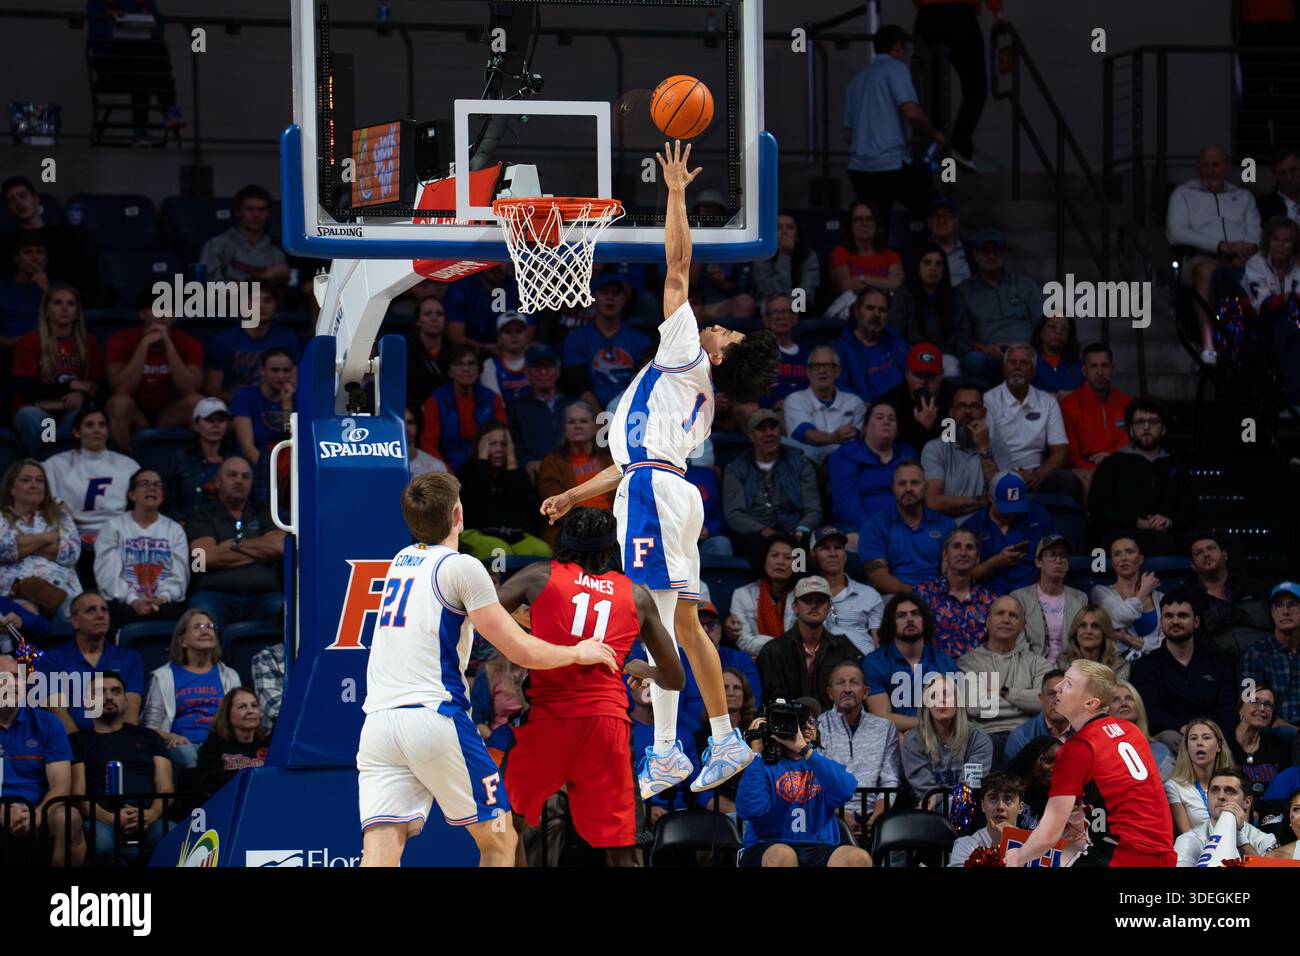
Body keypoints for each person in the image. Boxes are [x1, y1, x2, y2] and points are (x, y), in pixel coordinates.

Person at [538, 141, 780, 800]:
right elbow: (629, 463)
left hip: (655, 494)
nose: (717, 330)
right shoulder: (689, 404)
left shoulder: (681, 353)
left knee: (660, 622)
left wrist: (674, 191)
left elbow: (677, 265)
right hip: (658, 487)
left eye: (727, 335)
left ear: (722, 360)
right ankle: (676, 750)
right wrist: (573, 495)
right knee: (667, 623)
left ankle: (706, 742)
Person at [355, 474, 618, 867]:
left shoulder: (398, 563)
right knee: (501, 840)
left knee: (380, 853)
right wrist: (579, 653)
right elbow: (522, 651)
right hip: (433, 719)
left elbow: (465, 610)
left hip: (379, 728)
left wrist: (522, 617)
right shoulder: (462, 567)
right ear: (458, 513)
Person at [495, 507, 683, 865]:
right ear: (611, 548)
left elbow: (483, 614)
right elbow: (675, 678)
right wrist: (646, 669)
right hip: (606, 726)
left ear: (562, 541)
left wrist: (529, 626)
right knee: (623, 851)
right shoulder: (637, 595)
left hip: (549, 722)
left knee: (504, 824)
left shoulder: (537, 577)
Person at [1004, 660, 1176, 867]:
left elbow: (1048, 834)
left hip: (1124, 853)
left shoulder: (1079, 748)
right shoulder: (1130, 730)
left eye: (1068, 684)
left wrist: (1016, 858)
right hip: (1164, 853)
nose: (1058, 687)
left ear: (1090, 704)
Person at [735, 697, 873, 867]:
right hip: (768, 845)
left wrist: (806, 751)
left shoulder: (822, 765)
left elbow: (845, 792)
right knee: (783, 855)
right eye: (800, 720)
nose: (808, 725)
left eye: (812, 720)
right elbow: (751, 811)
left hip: (820, 846)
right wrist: (755, 753)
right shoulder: (762, 766)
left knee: (859, 858)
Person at [1166, 144, 1261, 364]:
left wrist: (1245, 253)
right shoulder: (1183, 194)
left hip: (1244, 257)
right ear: (1199, 168)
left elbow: (1256, 231)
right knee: (1206, 270)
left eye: (1216, 164)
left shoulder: (1244, 195)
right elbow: (1175, 232)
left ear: (1227, 167)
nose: (1211, 170)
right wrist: (1221, 246)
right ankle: (1209, 344)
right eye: (1206, 165)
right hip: (1201, 257)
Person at [841, 23, 942, 219]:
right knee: (936, 212)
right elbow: (911, 112)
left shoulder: (856, 81)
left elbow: (848, 136)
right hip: (891, 164)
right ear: (898, 46)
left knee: (875, 227)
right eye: (905, 49)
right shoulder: (896, 68)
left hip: (860, 169)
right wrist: (933, 134)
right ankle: (943, 249)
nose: (905, 54)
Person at [70, 670, 172, 862]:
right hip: (101, 818)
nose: (109, 697)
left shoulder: (150, 737)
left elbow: (166, 787)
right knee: (102, 843)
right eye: (100, 692)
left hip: (150, 817)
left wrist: (152, 814)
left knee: (173, 834)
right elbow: (78, 793)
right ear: (86, 702)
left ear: (126, 700)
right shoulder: (77, 741)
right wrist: (111, 819)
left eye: (116, 691)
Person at [0, 655, 83, 866]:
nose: (11, 683)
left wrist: (38, 814)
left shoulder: (48, 723)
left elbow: (61, 785)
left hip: (38, 806)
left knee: (70, 818)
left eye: (16, 677)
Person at [187, 456, 287, 629]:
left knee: (290, 614)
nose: (239, 481)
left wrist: (236, 544)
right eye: (232, 475)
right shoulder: (202, 514)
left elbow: (281, 546)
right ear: (217, 482)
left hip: (265, 595)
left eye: (245, 476)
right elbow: (201, 559)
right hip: (214, 595)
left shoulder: (265, 512)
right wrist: (261, 553)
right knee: (200, 619)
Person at [9, 284, 104, 456]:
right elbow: (29, 391)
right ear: (46, 311)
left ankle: (72, 467)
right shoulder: (29, 342)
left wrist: (83, 395)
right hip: (41, 414)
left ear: (77, 313)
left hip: (71, 412)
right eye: (57, 303)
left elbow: (98, 387)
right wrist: (73, 386)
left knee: (86, 416)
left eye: (71, 303)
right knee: (31, 417)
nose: (65, 308)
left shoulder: (89, 343)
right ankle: (44, 465)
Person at [141, 609, 242, 771]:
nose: (205, 630)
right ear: (182, 641)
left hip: (220, 744)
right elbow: (150, 728)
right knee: (189, 757)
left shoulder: (229, 675)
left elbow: (239, 718)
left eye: (209, 626)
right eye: (197, 626)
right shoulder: (163, 677)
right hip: (182, 744)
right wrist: (171, 737)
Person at [105, 288, 204, 450]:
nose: (163, 314)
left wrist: (169, 346)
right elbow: (121, 389)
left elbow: (190, 389)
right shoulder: (120, 340)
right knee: (118, 404)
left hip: (169, 412)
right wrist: (143, 346)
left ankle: (197, 463)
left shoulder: (189, 343)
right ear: (142, 314)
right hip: (135, 411)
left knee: (199, 402)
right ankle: (121, 465)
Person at [1088, 397, 1189, 555]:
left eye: (1153, 421)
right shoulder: (1112, 464)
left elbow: (1189, 509)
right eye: (1140, 422)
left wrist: (1168, 521)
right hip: (1123, 537)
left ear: (1163, 428)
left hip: (1168, 535)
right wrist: (1137, 522)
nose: (1146, 427)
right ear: (1130, 429)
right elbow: (1099, 512)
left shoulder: (1176, 465)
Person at [1130, 592, 1238, 738]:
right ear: (1161, 622)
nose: (1175, 621)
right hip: (1172, 737)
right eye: (1169, 616)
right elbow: (1150, 711)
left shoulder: (1219, 660)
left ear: (1196, 622)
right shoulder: (1145, 666)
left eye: (1183, 616)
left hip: (1215, 736)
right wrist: (1183, 729)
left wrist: (1208, 734)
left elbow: (1227, 707)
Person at [93, 469, 189, 632]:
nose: (151, 488)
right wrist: (133, 600)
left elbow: (181, 575)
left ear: (163, 495)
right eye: (144, 484)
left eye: (157, 485)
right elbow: (107, 576)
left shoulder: (174, 530)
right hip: (123, 602)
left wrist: (161, 598)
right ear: (132, 494)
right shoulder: (113, 527)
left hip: (164, 603)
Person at [723, 408, 820, 566]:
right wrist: (762, 530)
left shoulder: (799, 461)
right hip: (757, 532)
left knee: (801, 554)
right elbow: (734, 514)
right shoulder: (735, 468)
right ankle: (763, 589)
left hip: (795, 530)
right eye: (762, 429)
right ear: (751, 436)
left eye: (773, 427)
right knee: (758, 550)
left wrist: (802, 528)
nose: (769, 433)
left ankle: (797, 585)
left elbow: (813, 508)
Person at [957, 595, 1055, 749]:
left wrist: (1003, 691)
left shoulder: (1038, 663)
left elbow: (1042, 703)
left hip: (1027, 736)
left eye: (1013, 615)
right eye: (1000, 613)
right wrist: (1024, 700)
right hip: (985, 737)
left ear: (1022, 625)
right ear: (987, 621)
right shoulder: (969, 662)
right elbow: (975, 707)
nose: (1006, 619)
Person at [37, 591, 144, 733]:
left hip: (119, 742)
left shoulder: (129, 658)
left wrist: (124, 744)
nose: (100, 615)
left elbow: (131, 708)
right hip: (74, 743)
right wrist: (80, 745)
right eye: (91, 610)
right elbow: (57, 711)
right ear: (74, 621)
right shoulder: (51, 660)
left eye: (104, 610)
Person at [981, 344, 1078, 499]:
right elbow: (985, 451)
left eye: (1024, 363)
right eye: (1012, 362)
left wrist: (1039, 475)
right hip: (1000, 472)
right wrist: (1014, 475)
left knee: (1067, 480)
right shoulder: (988, 400)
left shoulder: (1048, 402)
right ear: (1004, 368)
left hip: (1037, 474)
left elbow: (1060, 452)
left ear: (1033, 371)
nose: (1017, 367)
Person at [42, 406, 139, 558]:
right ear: (76, 432)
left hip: (119, 536)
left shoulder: (129, 466)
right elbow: (45, 497)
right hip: (70, 534)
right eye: (89, 425)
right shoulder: (54, 464)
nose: (96, 430)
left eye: (102, 425)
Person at [817, 660, 900, 836]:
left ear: (865, 692)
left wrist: (878, 815)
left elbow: (890, 779)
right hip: (830, 815)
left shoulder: (885, 727)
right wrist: (841, 815)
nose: (847, 689)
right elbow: (817, 780)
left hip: (876, 815)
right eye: (840, 683)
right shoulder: (817, 727)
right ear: (830, 693)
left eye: (854, 682)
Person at [757, 576, 861, 713]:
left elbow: (855, 696)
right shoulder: (773, 650)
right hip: (788, 727)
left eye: (820, 601)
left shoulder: (844, 648)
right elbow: (772, 700)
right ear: (794, 606)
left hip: (836, 727)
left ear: (829, 607)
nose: (814, 606)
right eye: (807, 600)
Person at [863, 592, 960, 735]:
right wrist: (923, 726)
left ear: (924, 620)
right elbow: (881, 716)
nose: (909, 619)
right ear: (891, 623)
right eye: (901, 615)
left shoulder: (943, 661)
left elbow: (955, 710)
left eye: (915, 614)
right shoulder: (875, 663)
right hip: (894, 737)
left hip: (940, 735)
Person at [956, 231, 1044, 386]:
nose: (991, 256)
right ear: (975, 255)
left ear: (1004, 254)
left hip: (1026, 350)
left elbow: (1042, 324)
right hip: (989, 354)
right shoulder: (964, 291)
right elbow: (962, 337)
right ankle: (983, 408)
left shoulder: (1025, 284)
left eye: (996, 251)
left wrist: (1026, 347)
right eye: (985, 251)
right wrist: (985, 348)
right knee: (973, 361)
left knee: (1043, 359)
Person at [0, 459, 82, 619]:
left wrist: (21, 543)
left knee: (78, 614)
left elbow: (71, 552)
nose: (34, 485)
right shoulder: (1, 517)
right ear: (11, 488)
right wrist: (48, 537)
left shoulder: (59, 515)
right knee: (24, 615)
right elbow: (3, 549)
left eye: (40, 480)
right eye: (26, 480)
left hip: (62, 592)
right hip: (13, 591)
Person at [860, 461, 956, 594]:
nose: (908, 488)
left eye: (915, 483)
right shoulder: (875, 526)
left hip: (938, 595)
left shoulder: (946, 524)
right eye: (902, 483)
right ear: (893, 488)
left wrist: (936, 597)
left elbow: (953, 572)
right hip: (893, 597)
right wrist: (917, 595)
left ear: (926, 486)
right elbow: (878, 577)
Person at [786, 526, 884, 657]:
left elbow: (879, 642)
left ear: (845, 555)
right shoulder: (799, 594)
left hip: (862, 664)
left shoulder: (869, 594)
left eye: (838, 548)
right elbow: (790, 636)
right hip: (817, 664)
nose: (833, 554)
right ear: (813, 555)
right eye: (825, 548)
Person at [901, 671, 994, 805]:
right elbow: (926, 792)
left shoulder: (978, 739)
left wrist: (942, 799)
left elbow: (969, 788)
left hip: (967, 807)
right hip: (929, 810)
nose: (940, 700)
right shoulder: (914, 741)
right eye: (933, 696)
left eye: (947, 695)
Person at [561, 274, 651, 409]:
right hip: (589, 412)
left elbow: (643, 384)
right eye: (604, 292)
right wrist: (600, 417)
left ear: (624, 299)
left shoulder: (640, 340)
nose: (610, 297)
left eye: (615, 293)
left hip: (629, 409)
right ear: (593, 298)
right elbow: (578, 384)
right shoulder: (577, 338)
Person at [200, 283, 302, 403]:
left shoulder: (289, 339)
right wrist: (247, 404)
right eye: (254, 300)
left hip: (278, 406)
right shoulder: (223, 340)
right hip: (234, 408)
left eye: (268, 300)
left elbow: (294, 383)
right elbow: (211, 389)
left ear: (276, 304)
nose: (261, 305)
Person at [457, 425, 547, 561]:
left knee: (542, 550)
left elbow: (517, 500)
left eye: (504, 444)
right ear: (481, 446)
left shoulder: (516, 473)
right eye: (492, 444)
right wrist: (482, 459)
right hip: (474, 531)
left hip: (512, 534)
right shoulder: (467, 471)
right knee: (500, 551)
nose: (499, 449)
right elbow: (480, 496)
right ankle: (497, 583)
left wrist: (511, 460)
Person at [419, 343, 508, 473]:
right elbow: (428, 444)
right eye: (459, 364)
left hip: (487, 466)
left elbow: (502, 439)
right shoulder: (435, 401)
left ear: (478, 370)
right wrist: (445, 470)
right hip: (449, 467)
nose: (466, 368)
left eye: (471, 364)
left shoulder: (492, 399)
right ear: (450, 371)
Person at [1058, 343, 1131, 500]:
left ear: (1113, 368)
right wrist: (1091, 470)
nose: (1099, 372)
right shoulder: (1069, 404)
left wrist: (1110, 459)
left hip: (1120, 465)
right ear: (1084, 371)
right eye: (1093, 366)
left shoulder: (1127, 403)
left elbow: (1131, 443)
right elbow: (1069, 453)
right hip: (1085, 468)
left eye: (1104, 366)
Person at [966, 471, 1057, 596]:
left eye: (1016, 507)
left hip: (1031, 595)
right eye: (1005, 508)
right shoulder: (973, 526)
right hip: (987, 597)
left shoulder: (1038, 515)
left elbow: (1057, 554)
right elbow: (965, 575)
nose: (1011, 513)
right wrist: (997, 562)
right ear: (990, 499)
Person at [921, 383, 1002, 522]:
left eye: (974, 406)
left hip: (987, 528)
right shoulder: (935, 448)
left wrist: (983, 450)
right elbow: (933, 502)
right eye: (961, 406)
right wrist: (983, 502)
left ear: (983, 413)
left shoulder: (999, 446)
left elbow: (1001, 497)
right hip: (946, 530)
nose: (968, 412)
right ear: (951, 413)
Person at [889, 246, 974, 376]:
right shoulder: (904, 296)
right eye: (927, 263)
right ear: (918, 266)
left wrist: (957, 355)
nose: (933, 268)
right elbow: (894, 334)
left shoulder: (954, 297)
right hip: (913, 355)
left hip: (947, 356)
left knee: (954, 368)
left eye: (939, 264)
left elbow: (964, 334)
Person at [536, 403, 613, 546]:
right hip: (570, 528)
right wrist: (585, 523)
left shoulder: (610, 458)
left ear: (596, 427)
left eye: (583, 421)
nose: (577, 426)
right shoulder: (552, 461)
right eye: (571, 422)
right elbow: (552, 504)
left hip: (610, 525)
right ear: (564, 429)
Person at [828, 402, 914, 529]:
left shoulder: (908, 454)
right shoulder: (845, 454)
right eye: (879, 417)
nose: (886, 422)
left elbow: (917, 494)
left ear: (897, 430)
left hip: (905, 527)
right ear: (865, 427)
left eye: (891, 419)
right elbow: (845, 502)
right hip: (859, 527)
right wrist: (874, 530)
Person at [914, 526, 996, 659]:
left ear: (978, 558)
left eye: (969, 547)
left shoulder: (990, 601)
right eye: (956, 546)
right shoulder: (923, 594)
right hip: (932, 673)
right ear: (945, 555)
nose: (963, 553)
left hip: (976, 674)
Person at [782, 345, 867, 466]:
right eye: (816, 366)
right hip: (807, 467)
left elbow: (856, 442)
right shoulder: (794, 400)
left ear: (837, 372)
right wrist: (834, 437)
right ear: (808, 372)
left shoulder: (854, 402)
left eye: (827, 366)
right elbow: (807, 435)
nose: (822, 371)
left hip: (846, 465)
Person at [1175, 767, 1278, 865]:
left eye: (1230, 791)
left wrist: (1240, 838)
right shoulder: (1188, 840)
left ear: (1247, 802)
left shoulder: (1265, 840)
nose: (1221, 796)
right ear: (1208, 797)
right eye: (1215, 790)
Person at [230, 348, 296, 497]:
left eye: (286, 371)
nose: (281, 376)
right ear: (262, 371)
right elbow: (247, 446)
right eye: (275, 370)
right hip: (258, 467)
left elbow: (290, 436)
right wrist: (271, 474)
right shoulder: (245, 396)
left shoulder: (294, 398)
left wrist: (286, 405)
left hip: (287, 467)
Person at [1011, 535, 1087, 660]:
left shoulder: (1080, 598)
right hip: (1032, 665)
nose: (1059, 560)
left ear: (1068, 565)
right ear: (1038, 562)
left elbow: (1081, 641)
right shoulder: (1020, 598)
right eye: (1052, 555)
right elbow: (1019, 643)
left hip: (1070, 666)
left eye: (1063, 556)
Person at [199, 184, 289, 285]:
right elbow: (211, 286)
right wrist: (262, 278)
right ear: (238, 212)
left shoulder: (277, 254)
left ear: (268, 214)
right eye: (250, 209)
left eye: (262, 209)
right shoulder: (217, 245)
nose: (256, 215)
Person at [1091, 535, 1165, 659]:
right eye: (1117, 554)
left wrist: (1129, 640)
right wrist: (1143, 591)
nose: (1123, 558)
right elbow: (1119, 619)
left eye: (1129, 552)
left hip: (1157, 665)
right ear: (1113, 563)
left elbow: (1165, 643)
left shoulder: (1160, 598)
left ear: (1141, 559)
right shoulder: (1100, 592)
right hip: (1118, 666)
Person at [508, 344, 574, 482]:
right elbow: (514, 442)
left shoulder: (573, 405)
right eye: (537, 367)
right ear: (527, 371)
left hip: (573, 472)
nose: (543, 372)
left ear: (558, 370)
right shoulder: (516, 408)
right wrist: (527, 461)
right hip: (533, 476)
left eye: (548, 366)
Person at [1240, 581, 1300, 730]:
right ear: (1272, 612)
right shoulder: (1254, 655)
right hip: (1273, 735)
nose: (1285, 611)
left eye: (1292, 604)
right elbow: (1248, 704)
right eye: (1278, 605)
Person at [166, 397, 237, 524]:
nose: (216, 425)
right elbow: (169, 500)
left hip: (226, 528)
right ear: (196, 425)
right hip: (189, 527)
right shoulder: (181, 459)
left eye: (221, 420)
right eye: (209, 420)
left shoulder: (235, 461)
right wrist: (179, 520)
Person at [1187, 533, 1270, 639]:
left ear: (1225, 555)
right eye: (1198, 552)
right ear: (1193, 566)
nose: (1206, 554)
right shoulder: (1189, 599)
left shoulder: (1256, 588)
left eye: (1211, 548)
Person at [726, 534, 798, 657]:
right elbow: (743, 640)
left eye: (787, 557)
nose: (780, 562)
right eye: (774, 555)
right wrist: (784, 645)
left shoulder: (803, 596)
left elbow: (805, 640)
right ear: (764, 561)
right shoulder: (742, 594)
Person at [195, 687, 270, 801]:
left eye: (254, 706)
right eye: (242, 707)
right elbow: (211, 787)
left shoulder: (270, 743)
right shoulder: (213, 746)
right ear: (227, 714)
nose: (250, 711)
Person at [834, 288, 909, 402]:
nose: (876, 314)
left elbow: (911, 373)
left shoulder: (895, 340)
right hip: (864, 410)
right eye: (870, 308)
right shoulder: (842, 348)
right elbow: (840, 387)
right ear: (857, 311)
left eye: (882, 310)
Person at [1164, 719, 1236, 835]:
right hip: (1197, 851)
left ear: (1219, 746)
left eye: (1206, 737)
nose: (1199, 743)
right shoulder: (1174, 787)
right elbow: (1187, 836)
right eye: (1193, 738)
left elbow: (1243, 828)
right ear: (1187, 748)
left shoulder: (1234, 784)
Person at [828, 201, 905, 298]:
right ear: (850, 225)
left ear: (876, 224)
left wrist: (861, 278)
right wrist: (884, 283)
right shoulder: (840, 253)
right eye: (858, 219)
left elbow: (896, 284)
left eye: (869, 219)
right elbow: (845, 286)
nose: (864, 223)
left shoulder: (891, 256)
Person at [878, 344, 946, 452]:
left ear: (941, 374)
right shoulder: (889, 403)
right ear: (906, 374)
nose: (923, 381)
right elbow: (892, 453)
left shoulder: (954, 398)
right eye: (918, 374)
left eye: (929, 375)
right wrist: (921, 427)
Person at [948, 771, 1025, 866]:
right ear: (983, 805)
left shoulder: (1036, 847)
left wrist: (1016, 840)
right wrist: (996, 851)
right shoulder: (965, 845)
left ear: (1020, 807)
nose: (1000, 806)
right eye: (993, 798)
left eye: (1008, 799)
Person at [444, 265, 521, 354]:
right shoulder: (461, 287)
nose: (496, 265)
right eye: (491, 259)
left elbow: (527, 333)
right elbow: (456, 336)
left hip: (512, 353)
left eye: (500, 261)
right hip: (470, 353)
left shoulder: (518, 287)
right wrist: (484, 348)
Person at [1229, 683, 1290, 793]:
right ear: (1240, 708)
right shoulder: (1223, 743)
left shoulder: (1279, 747)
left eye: (1268, 704)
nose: (1262, 708)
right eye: (1255, 701)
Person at [753, 211, 821, 307]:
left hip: (799, 306)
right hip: (770, 306)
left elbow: (807, 293)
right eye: (778, 228)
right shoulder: (762, 255)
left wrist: (787, 303)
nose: (784, 232)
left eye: (790, 227)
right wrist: (784, 256)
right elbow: (768, 291)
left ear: (797, 236)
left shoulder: (809, 255)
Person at [1109, 680, 1175, 779]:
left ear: (1138, 706)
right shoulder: (1102, 753)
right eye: (1115, 700)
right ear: (1106, 709)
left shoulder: (1160, 750)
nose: (1123, 703)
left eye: (1129, 698)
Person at [698, 602, 761, 701]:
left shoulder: (741, 660)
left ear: (720, 629)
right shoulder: (680, 660)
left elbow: (753, 699)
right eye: (699, 625)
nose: (705, 630)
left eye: (711, 624)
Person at [760, 294, 812, 406]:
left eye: (786, 312)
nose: (781, 317)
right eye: (775, 312)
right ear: (766, 319)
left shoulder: (809, 355)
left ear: (795, 317)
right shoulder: (758, 354)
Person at [1057, 605, 1131, 683]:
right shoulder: (1063, 663)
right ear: (1076, 631)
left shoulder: (1119, 665)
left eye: (1095, 626)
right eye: (1082, 625)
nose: (1088, 631)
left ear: (1104, 632)